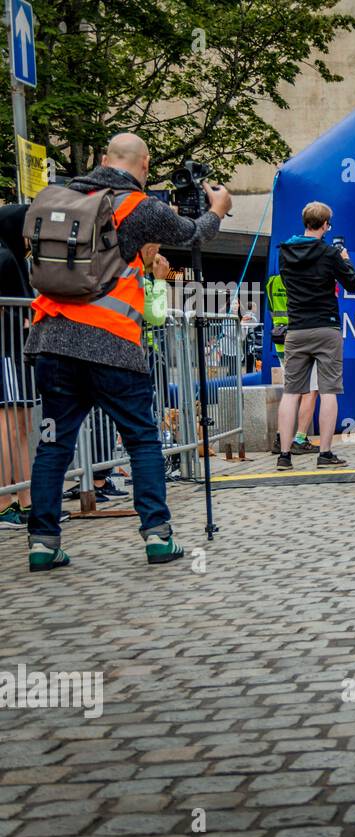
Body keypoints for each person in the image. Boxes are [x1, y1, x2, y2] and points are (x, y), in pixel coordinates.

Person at [22, 134, 229, 570]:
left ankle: (42, 542)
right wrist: (218, 210)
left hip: (51, 341)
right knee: (141, 439)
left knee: (53, 444)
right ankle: (157, 536)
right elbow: (194, 235)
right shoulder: (140, 206)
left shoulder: (57, 197)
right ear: (146, 165)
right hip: (112, 343)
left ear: (101, 160)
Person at [274, 201, 355, 470]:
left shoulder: (285, 252)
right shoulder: (330, 253)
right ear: (325, 225)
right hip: (326, 326)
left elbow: (287, 283)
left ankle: (284, 456)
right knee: (329, 390)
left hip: (296, 328)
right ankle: (325, 453)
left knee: (291, 392)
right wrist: (346, 261)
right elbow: (352, 284)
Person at [0, 204, 34, 530]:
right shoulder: (5, 258)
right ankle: (5, 500)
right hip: (7, 352)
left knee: (20, 427)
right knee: (10, 427)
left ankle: (25, 498)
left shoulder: (16, 259)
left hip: (16, 351)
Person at [266, 270, 320, 454]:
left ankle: (281, 438)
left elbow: (271, 308)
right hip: (302, 342)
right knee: (310, 390)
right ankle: (299, 439)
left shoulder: (272, 282)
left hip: (282, 343)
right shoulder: (302, 279)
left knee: (291, 390)